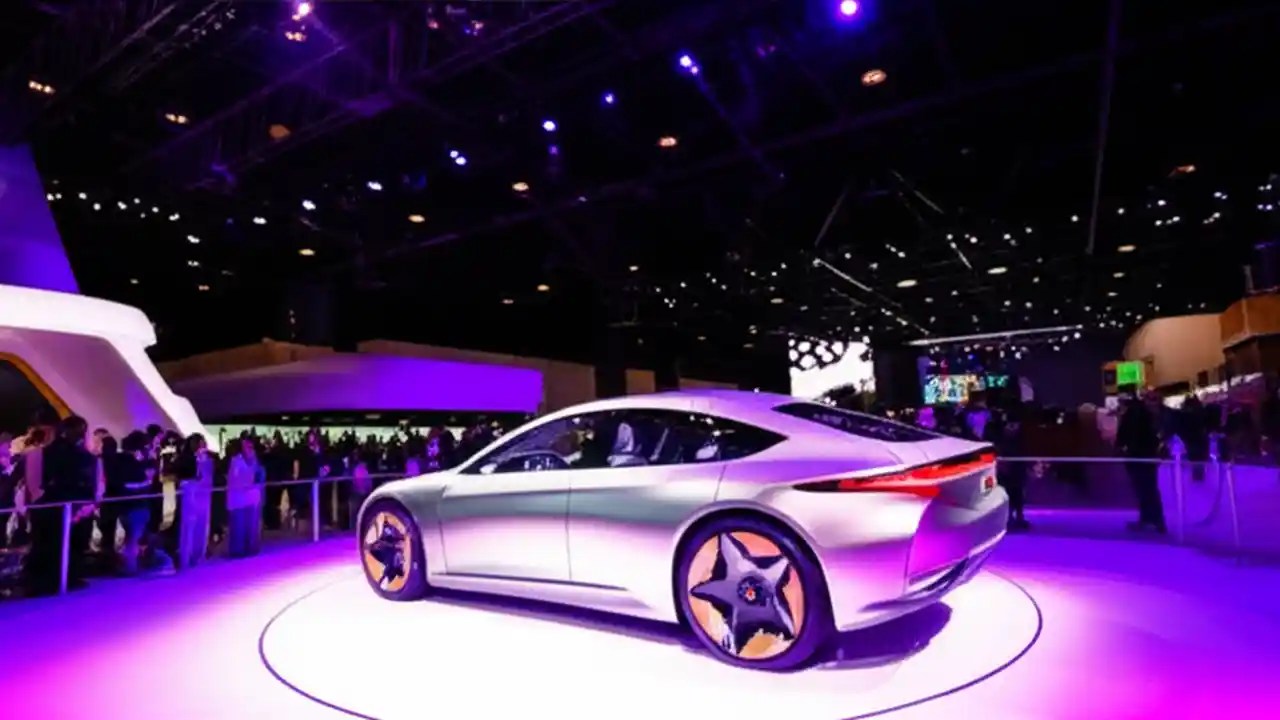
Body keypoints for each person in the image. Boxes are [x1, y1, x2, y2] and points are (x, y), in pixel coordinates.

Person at [25, 415, 102, 594]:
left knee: (50, 545)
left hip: (52, 508)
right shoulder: (88, 457)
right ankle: (65, 578)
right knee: (68, 545)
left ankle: (50, 580)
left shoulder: (40, 454)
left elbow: (34, 486)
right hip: (71, 508)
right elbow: (95, 487)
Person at [1116, 394, 1166, 533]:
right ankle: (1156, 520)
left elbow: (1124, 434)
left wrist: (1121, 448)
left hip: (1137, 456)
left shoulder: (1132, 414)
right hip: (1148, 455)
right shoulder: (1149, 414)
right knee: (1150, 488)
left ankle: (1149, 518)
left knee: (1143, 488)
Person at [112, 432, 156, 575]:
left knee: (132, 536)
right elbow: (133, 484)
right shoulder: (132, 464)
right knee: (133, 536)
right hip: (136, 504)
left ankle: (129, 564)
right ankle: (130, 567)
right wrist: (146, 483)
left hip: (127, 504)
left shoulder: (120, 461)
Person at [175, 434, 215, 569]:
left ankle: (199, 554)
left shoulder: (207, 458)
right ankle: (186, 557)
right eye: (200, 444)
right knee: (189, 525)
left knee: (202, 524)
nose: (202, 447)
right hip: (190, 493)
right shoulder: (186, 458)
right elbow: (183, 475)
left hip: (203, 494)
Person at [227, 438, 264, 558]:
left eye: (250, 446)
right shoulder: (236, 461)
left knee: (252, 524)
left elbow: (259, 475)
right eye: (246, 447)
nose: (249, 449)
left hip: (252, 497)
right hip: (238, 498)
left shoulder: (255, 461)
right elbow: (235, 478)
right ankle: (237, 550)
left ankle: (251, 547)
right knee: (238, 524)